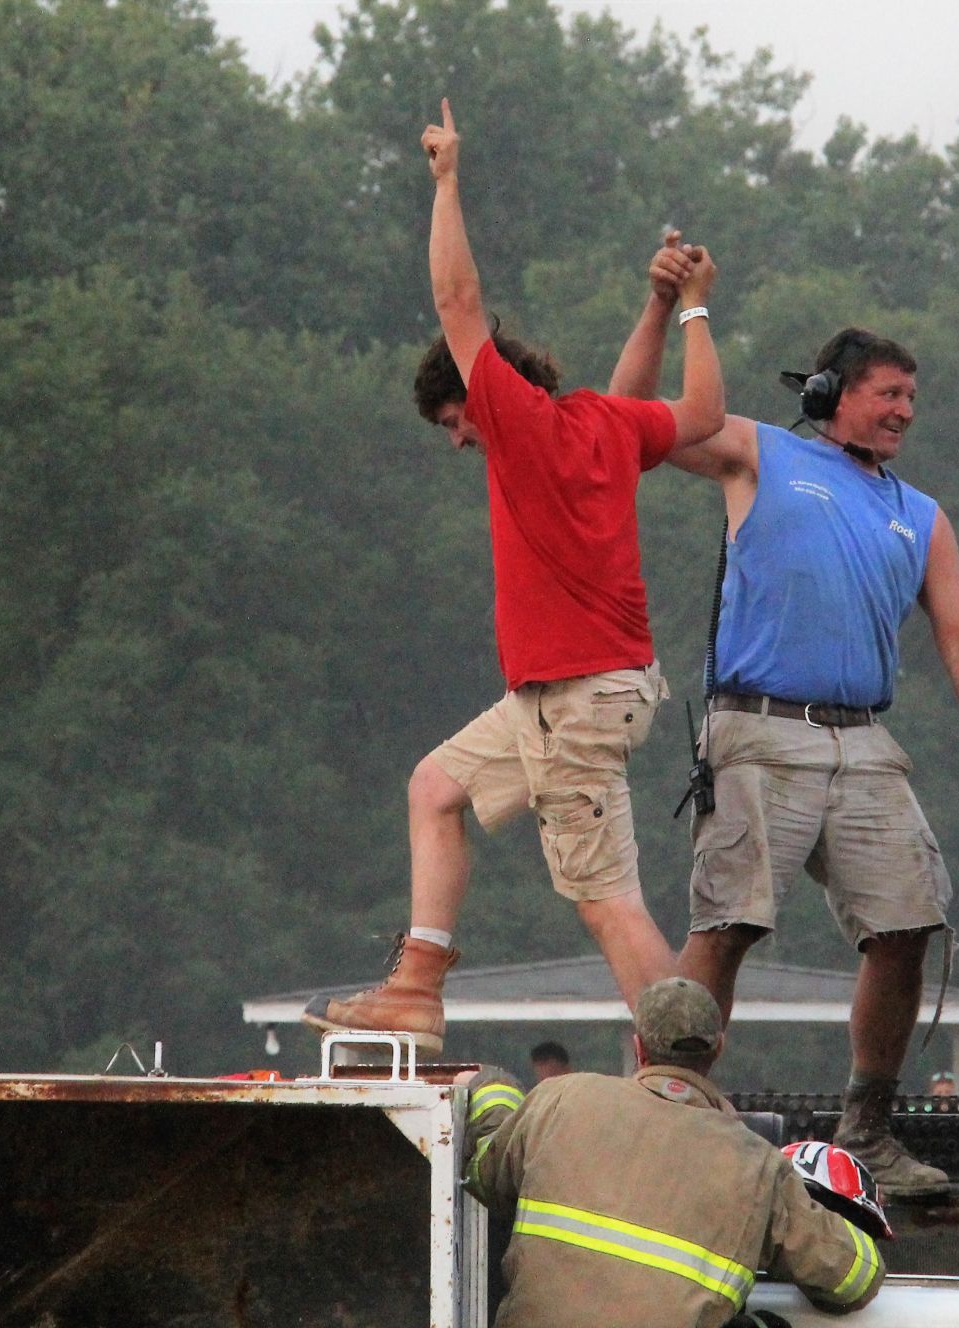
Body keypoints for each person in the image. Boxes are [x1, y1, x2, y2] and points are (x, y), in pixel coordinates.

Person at [610, 237, 959, 1197]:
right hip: (758, 726)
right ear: (834, 393)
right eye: (887, 393)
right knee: (727, 924)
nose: (902, 411)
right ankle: (667, 1117)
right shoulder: (759, 451)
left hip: (863, 739)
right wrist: (667, 309)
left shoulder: (922, 514)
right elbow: (631, 421)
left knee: (906, 925)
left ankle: (869, 1134)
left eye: (910, 399)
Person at [304, 104, 726, 1052]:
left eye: (455, 421)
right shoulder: (604, 427)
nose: (461, 441)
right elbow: (698, 410)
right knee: (434, 787)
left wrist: (447, 177)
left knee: (605, 900)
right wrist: (679, 304)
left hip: (577, 697)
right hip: (565, 696)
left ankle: (687, 1077)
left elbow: (460, 305)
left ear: (485, 393)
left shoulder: (519, 425)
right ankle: (418, 983)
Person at [462, 978, 885, 1328]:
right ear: (718, 1048)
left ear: (639, 1047)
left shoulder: (559, 1099)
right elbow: (855, 1279)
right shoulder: (756, 1163)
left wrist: (490, 1086)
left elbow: (484, 1175)